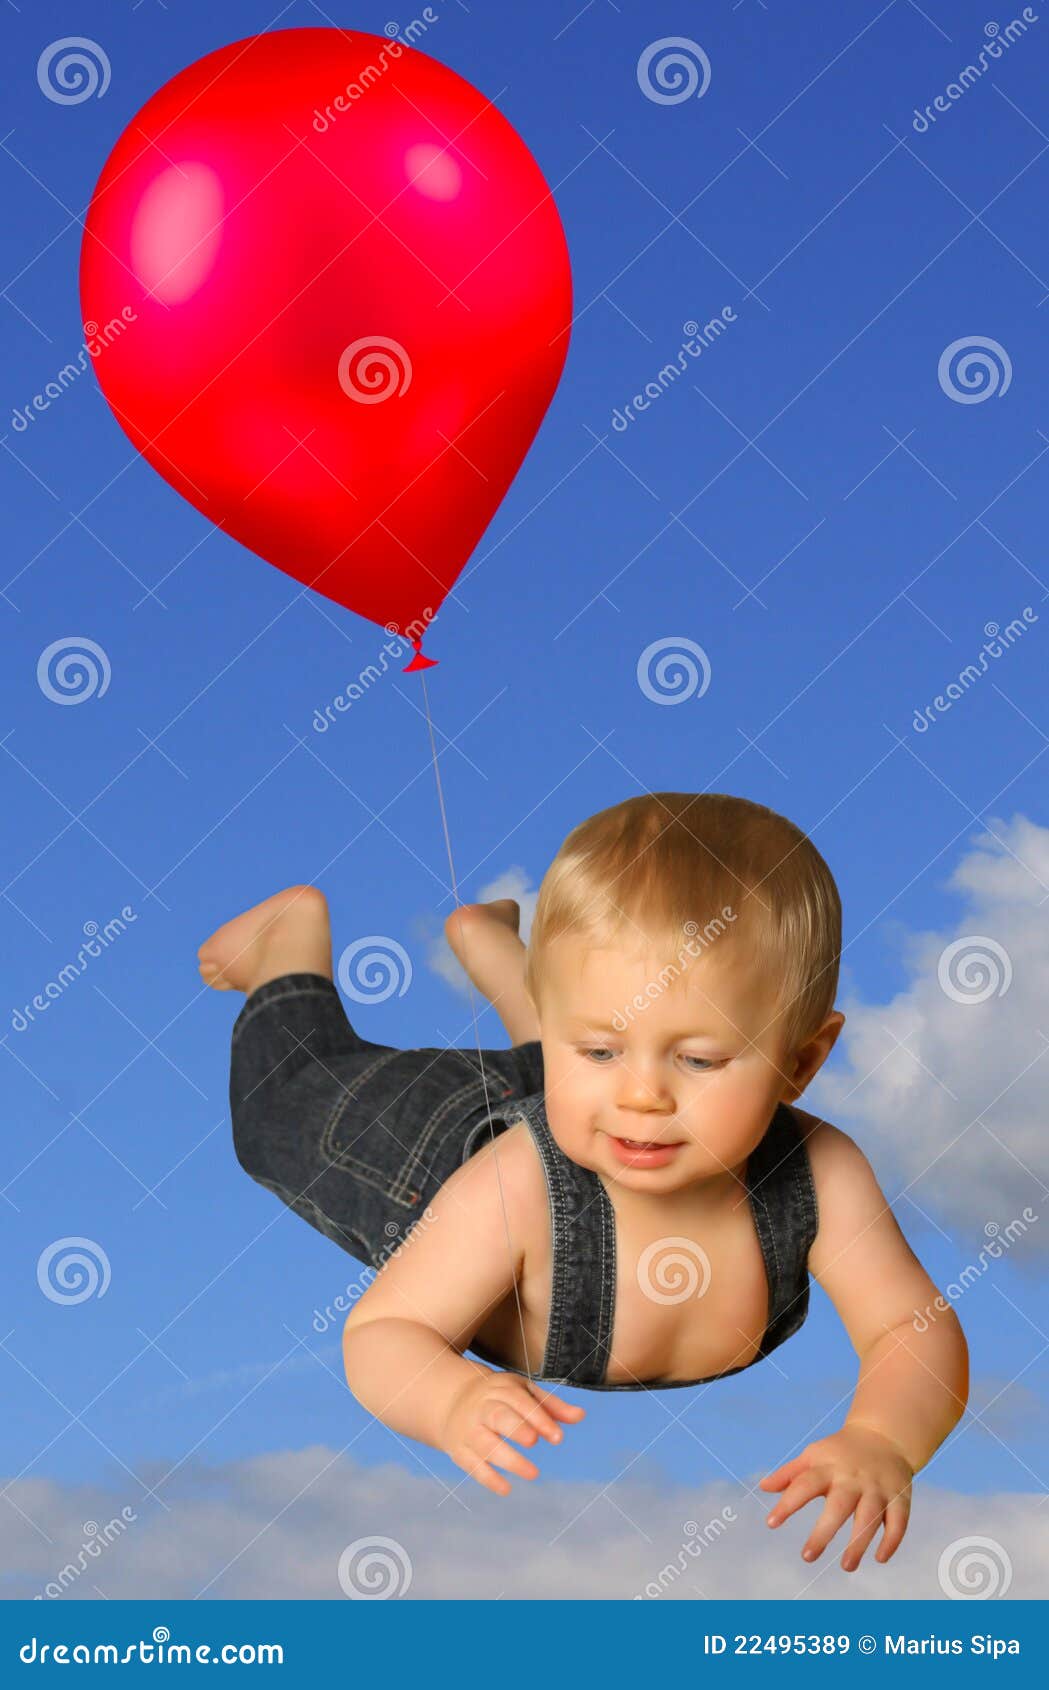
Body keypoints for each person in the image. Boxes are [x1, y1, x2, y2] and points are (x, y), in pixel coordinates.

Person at [198, 791, 968, 1570]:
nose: (644, 1095)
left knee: (587, 1069)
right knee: (283, 1118)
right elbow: (383, 1333)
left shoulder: (822, 1173)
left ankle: (504, 964)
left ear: (800, 1062)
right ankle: (286, 951)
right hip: (431, 1147)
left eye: (697, 1060)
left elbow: (911, 1324)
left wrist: (881, 1437)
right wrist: (449, 1397)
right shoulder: (512, 1186)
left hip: (562, 1095)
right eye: (599, 1051)